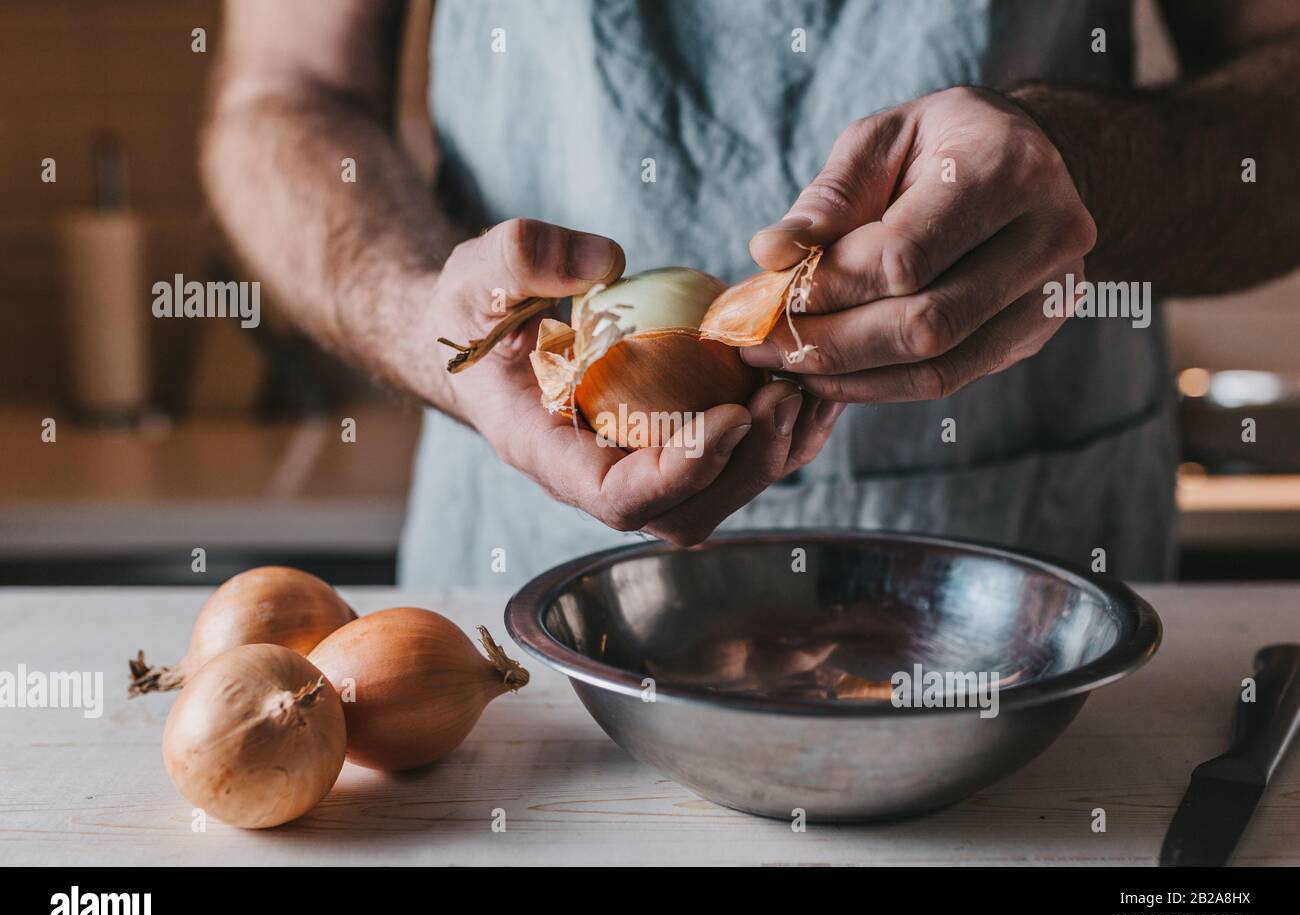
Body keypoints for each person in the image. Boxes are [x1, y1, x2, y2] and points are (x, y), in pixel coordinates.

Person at [202, 0, 1300, 587]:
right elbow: (282, 95)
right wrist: (416, 313)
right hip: (530, 582)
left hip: (1023, 586)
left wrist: (1084, 169)